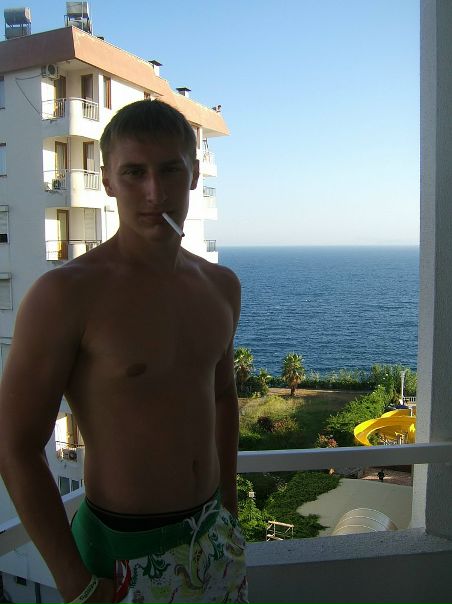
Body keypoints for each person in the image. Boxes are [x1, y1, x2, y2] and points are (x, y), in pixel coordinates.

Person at [0, 100, 248, 604]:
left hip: (213, 537)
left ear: (194, 175)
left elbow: (223, 398)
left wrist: (228, 510)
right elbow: (14, 445)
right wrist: (76, 584)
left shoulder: (221, 286)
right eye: (134, 172)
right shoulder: (66, 296)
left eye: (170, 170)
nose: (155, 193)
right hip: (122, 552)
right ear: (108, 181)